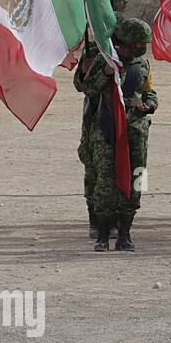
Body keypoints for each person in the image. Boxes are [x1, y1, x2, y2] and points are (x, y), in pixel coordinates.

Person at [80, 18, 158, 251]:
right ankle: (103, 235)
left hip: (136, 132)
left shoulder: (142, 65)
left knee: (137, 179)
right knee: (105, 182)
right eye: (137, 45)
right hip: (107, 129)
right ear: (124, 43)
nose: (141, 49)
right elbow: (87, 88)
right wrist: (104, 72)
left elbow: (150, 92)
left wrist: (149, 105)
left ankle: (125, 233)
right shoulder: (105, 61)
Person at [73, 39, 103, 237]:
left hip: (127, 126)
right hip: (94, 122)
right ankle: (95, 220)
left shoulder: (133, 57)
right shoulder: (92, 51)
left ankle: (121, 219)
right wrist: (85, 71)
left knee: (134, 173)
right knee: (92, 173)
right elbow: (81, 85)